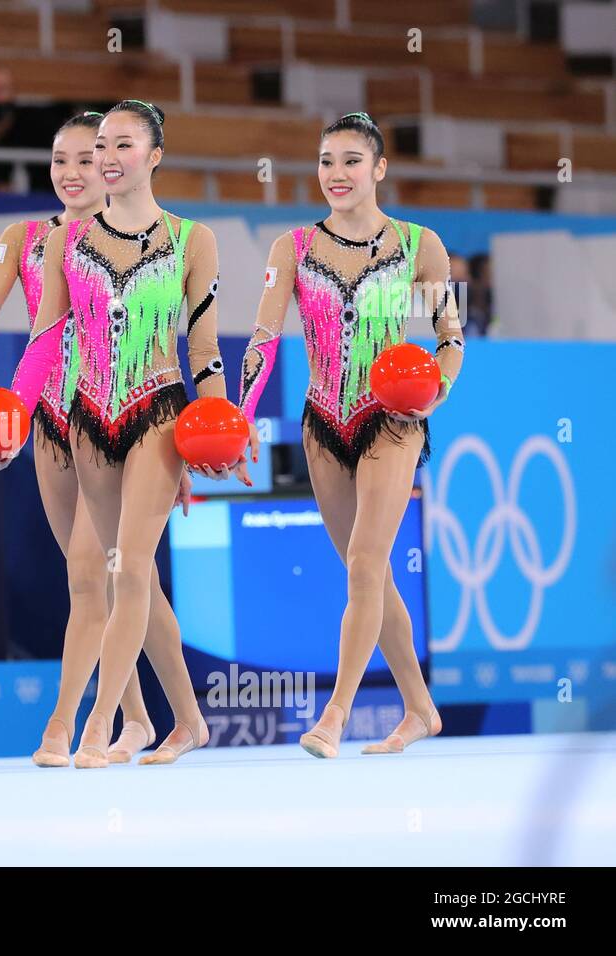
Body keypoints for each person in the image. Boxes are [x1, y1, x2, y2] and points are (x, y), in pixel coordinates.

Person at [0, 112, 163, 766]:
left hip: (117, 422)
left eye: (87, 158)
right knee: (97, 582)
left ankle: (73, 726)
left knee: (99, 573)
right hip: (51, 424)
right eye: (60, 160)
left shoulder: (135, 238)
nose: (72, 173)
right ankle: (137, 719)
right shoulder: (24, 237)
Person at [1, 101, 229, 768]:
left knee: (131, 568)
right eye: (102, 143)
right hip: (87, 421)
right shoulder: (67, 242)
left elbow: (206, 345)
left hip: (157, 413)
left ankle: (101, 723)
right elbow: (45, 340)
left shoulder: (193, 239)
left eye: (122, 144)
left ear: (154, 156)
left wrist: (214, 426)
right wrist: (13, 414)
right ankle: (188, 722)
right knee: (124, 576)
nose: (107, 155)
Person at [234, 111, 465, 757]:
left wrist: (433, 394)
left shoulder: (422, 245)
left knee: (366, 564)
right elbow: (261, 339)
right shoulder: (293, 248)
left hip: (393, 419)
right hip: (323, 422)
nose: (336, 174)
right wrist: (243, 413)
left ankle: (334, 713)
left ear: (379, 169)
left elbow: (450, 338)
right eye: (327, 161)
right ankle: (420, 708)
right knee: (370, 575)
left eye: (351, 161)